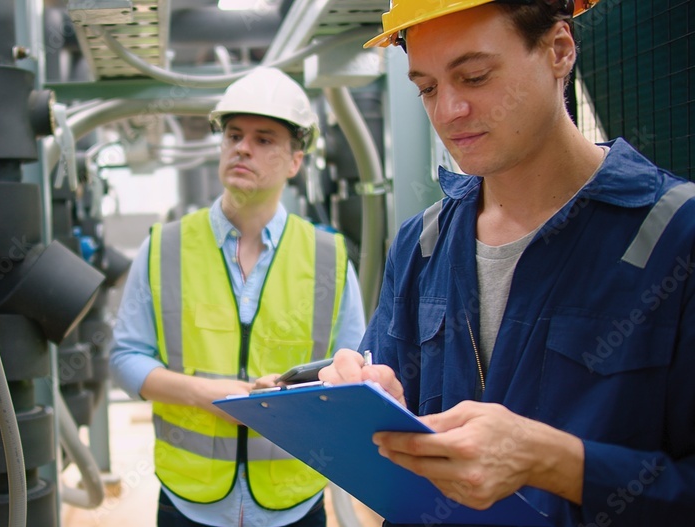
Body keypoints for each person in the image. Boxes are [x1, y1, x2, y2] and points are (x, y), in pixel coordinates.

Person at [318, 1, 695, 525]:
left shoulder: (676, 238)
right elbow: (389, 416)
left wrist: (552, 462)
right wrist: (369, 399)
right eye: (426, 88)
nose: (448, 111)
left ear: (560, 49)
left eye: (475, 77)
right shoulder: (423, 243)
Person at [110, 67, 367, 527]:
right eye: (233, 135)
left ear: (295, 161)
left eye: (264, 139)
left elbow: (353, 372)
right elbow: (126, 357)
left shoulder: (328, 258)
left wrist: (289, 397)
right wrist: (205, 394)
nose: (242, 147)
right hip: (190, 497)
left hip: (294, 498)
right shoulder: (164, 247)